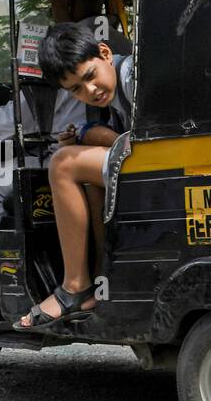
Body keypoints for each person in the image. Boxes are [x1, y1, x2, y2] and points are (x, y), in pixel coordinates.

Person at [0, 0, 131, 230]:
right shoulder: (121, 42)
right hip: (111, 152)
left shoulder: (59, 52)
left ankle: (19, 262)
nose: (89, 91)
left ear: (67, 4)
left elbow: (25, 113)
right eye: (76, 89)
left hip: (77, 152)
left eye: (53, 2)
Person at [13, 23, 131, 331]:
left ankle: (75, 285)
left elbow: (139, 140)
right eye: (76, 89)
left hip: (167, 161)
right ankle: (100, 278)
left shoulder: (131, 75)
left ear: (105, 53)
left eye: (90, 76)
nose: (90, 91)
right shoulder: (111, 96)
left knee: (63, 164)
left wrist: (87, 136)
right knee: (89, 182)